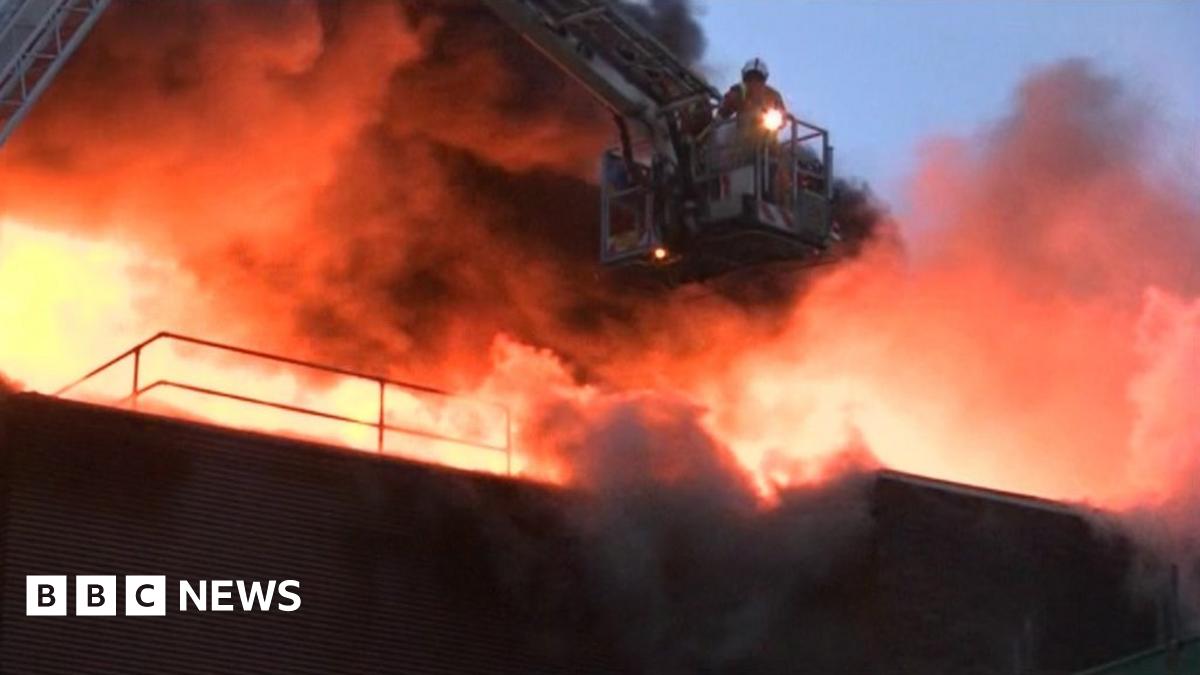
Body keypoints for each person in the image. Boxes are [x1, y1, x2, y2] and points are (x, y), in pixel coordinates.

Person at [717, 58, 786, 130]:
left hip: (767, 135)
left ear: (763, 79)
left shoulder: (773, 94)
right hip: (739, 135)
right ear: (745, 78)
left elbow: (783, 117)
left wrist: (779, 119)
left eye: (758, 78)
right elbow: (725, 108)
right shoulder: (738, 90)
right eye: (750, 78)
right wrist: (721, 114)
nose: (754, 82)